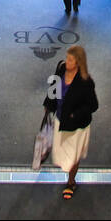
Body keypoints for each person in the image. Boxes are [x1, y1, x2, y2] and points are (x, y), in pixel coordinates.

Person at [44, 44, 98, 200]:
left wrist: (75, 115)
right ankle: (70, 177)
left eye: (70, 60)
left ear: (79, 62)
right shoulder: (61, 68)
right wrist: (48, 104)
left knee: (73, 156)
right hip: (61, 120)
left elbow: (93, 105)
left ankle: (71, 182)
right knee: (61, 154)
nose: (67, 62)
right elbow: (53, 87)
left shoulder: (86, 82)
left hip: (76, 126)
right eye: (67, 58)